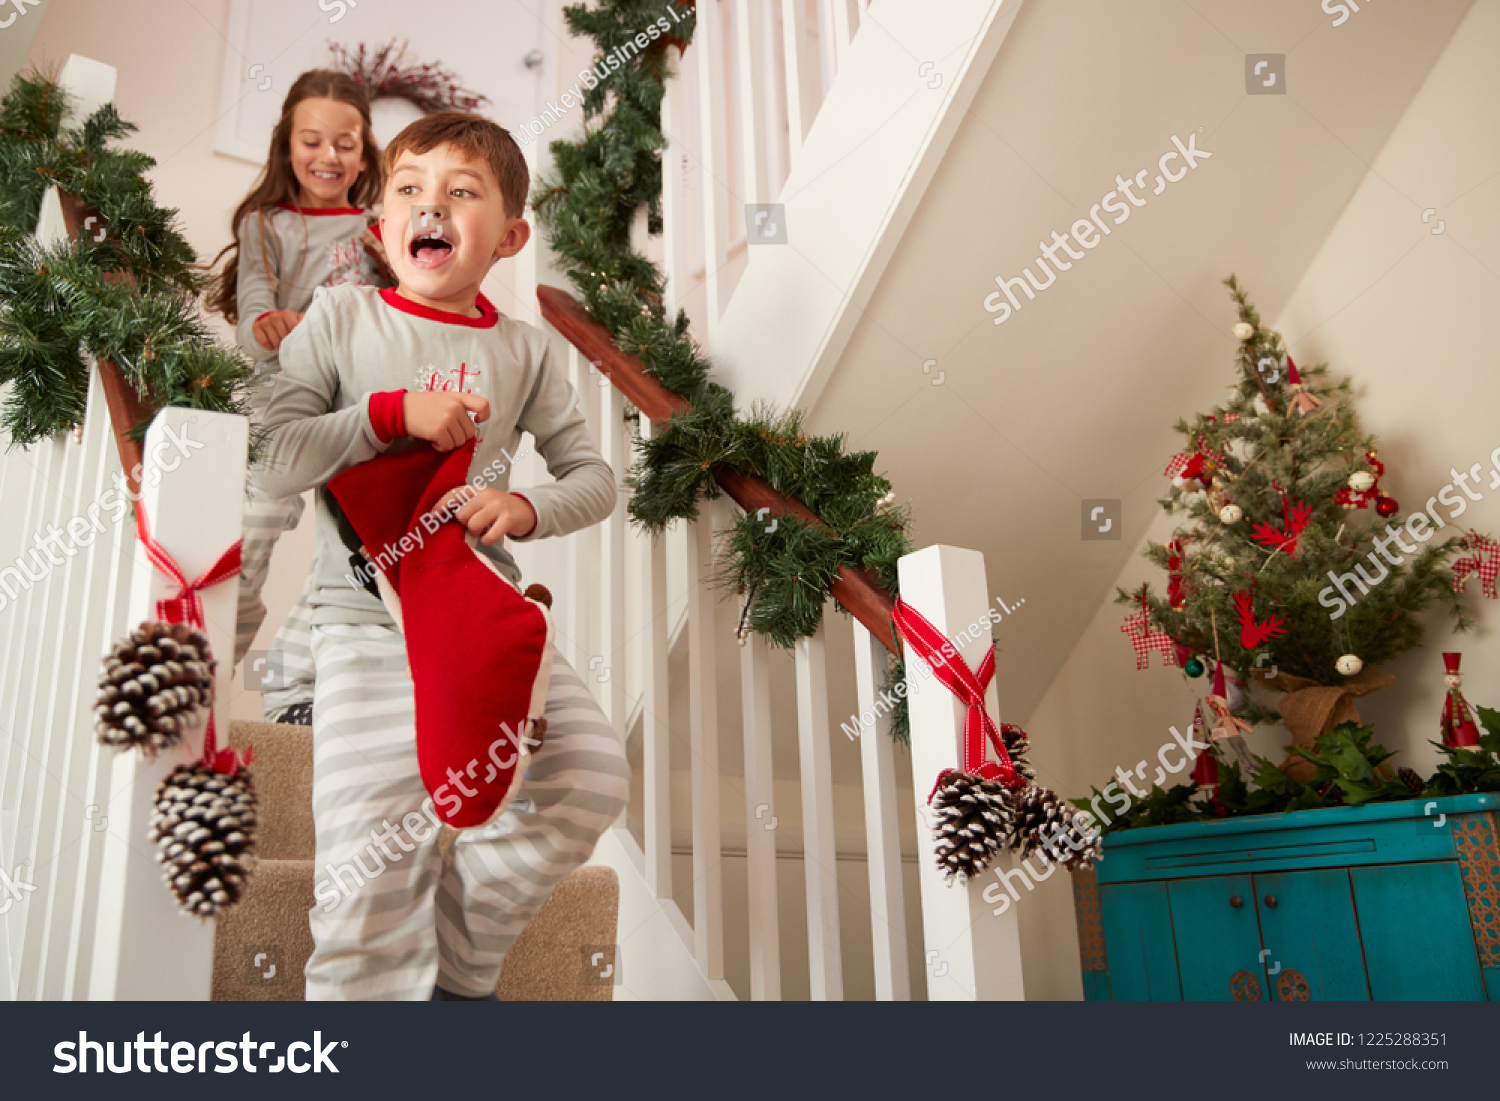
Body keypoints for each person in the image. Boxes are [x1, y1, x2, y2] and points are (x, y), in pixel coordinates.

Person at [257, 111, 629, 1000]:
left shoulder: (527, 352)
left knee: (590, 775)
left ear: (508, 235)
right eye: (410, 192)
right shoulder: (341, 319)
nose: (433, 207)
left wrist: (525, 506)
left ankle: (461, 970)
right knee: (367, 869)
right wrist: (389, 414)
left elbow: (594, 476)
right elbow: (276, 455)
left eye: (462, 193)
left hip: (480, 614)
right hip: (364, 625)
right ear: (379, 227)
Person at [207, 69, 392, 725]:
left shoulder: (378, 227)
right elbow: (254, 313)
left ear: (365, 154)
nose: (328, 157)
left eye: (346, 144)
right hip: (281, 401)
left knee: (356, 553)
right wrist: (270, 327)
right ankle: (201, 691)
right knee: (251, 536)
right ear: (288, 144)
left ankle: (294, 692)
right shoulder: (268, 224)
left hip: (354, 411)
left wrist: (393, 254)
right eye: (312, 141)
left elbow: (407, 305)